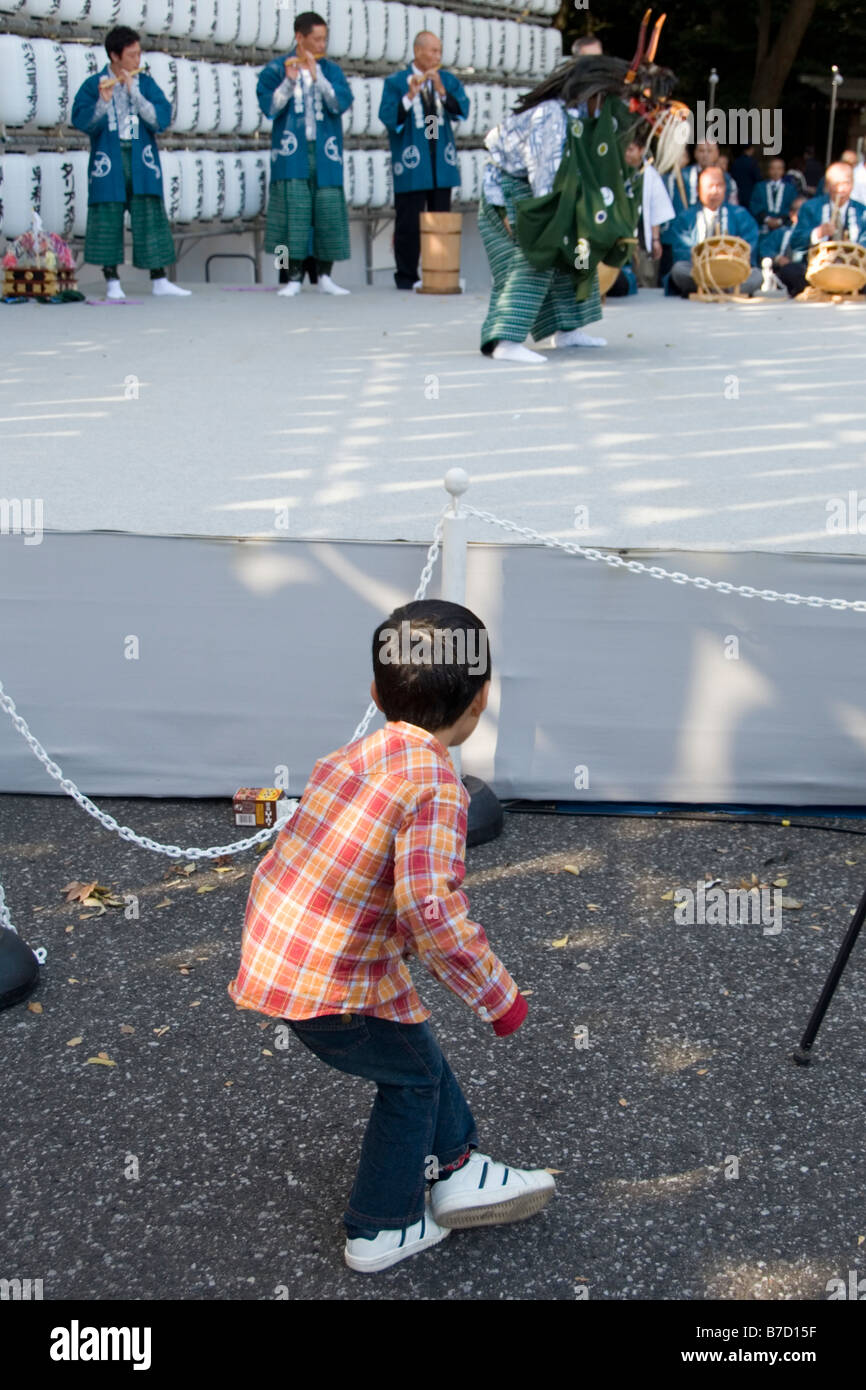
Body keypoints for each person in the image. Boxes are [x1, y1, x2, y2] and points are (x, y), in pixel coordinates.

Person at [228, 600, 555, 1273]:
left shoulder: (350, 756)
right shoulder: (437, 786)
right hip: (335, 983)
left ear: (376, 694)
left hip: (285, 953)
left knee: (417, 1055)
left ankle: (458, 1164)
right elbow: (430, 909)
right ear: (483, 699)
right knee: (410, 1083)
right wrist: (498, 997)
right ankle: (381, 1226)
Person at [70, 26, 189, 300]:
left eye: (139, 54)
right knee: (107, 216)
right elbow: (81, 120)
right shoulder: (95, 84)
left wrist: (134, 92)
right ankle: (112, 281)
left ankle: (159, 278)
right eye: (132, 55)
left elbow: (160, 119)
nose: (137, 60)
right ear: (115, 55)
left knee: (149, 213)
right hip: (109, 155)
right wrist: (102, 103)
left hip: (139, 153)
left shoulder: (144, 83)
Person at [257, 10, 353, 297]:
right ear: (299, 37)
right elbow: (270, 108)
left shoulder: (331, 70)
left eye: (325, 39)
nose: (322, 45)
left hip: (325, 152)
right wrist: (288, 82)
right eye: (316, 39)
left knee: (328, 212)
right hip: (291, 153)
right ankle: (291, 277)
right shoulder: (276, 68)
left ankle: (325, 276)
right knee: (289, 216)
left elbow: (341, 103)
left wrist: (318, 77)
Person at [379, 30, 469, 290]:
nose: (437, 56)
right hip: (412, 162)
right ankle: (407, 277)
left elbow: (461, 111)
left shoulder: (447, 80)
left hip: (439, 160)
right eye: (432, 51)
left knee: (441, 220)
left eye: (439, 51)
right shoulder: (397, 82)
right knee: (408, 222)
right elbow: (388, 117)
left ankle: (440, 272)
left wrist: (441, 91)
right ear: (418, 51)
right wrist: (409, 97)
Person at [668, 166, 761, 297]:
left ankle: (714, 288)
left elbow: (749, 247)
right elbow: (681, 250)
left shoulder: (740, 214)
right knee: (678, 270)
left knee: (757, 275)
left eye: (719, 186)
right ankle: (721, 288)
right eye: (710, 186)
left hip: (732, 271)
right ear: (698, 190)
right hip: (700, 272)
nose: (715, 191)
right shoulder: (686, 218)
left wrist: (728, 258)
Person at [779, 160, 866, 298]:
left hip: (853, 267)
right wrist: (817, 233)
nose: (841, 189)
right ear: (827, 185)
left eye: (846, 183)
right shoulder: (810, 207)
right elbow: (796, 242)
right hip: (818, 267)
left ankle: (843, 287)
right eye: (836, 184)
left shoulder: (862, 211)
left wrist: (854, 246)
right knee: (789, 270)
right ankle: (826, 287)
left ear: (853, 184)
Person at [751, 156, 798, 253]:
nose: (776, 172)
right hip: (763, 226)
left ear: (783, 171)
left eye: (779, 168)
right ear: (768, 170)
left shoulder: (790, 188)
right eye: (773, 168)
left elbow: (793, 207)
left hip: (784, 226)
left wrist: (780, 221)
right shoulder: (760, 187)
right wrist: (767, 219)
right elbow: (755, 205)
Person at [761, 195, 806, 290]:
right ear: (792, 215)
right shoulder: (781, 233)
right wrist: (777, 258)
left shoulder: (818, 234)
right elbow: (764, 248)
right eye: (802, 210)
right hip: (785, 275)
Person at [731, 143, 762, 209]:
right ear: (751, 149)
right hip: (751, 195)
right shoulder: (752, 163)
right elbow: (758, 179)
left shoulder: (736, 162)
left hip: (738, 194)